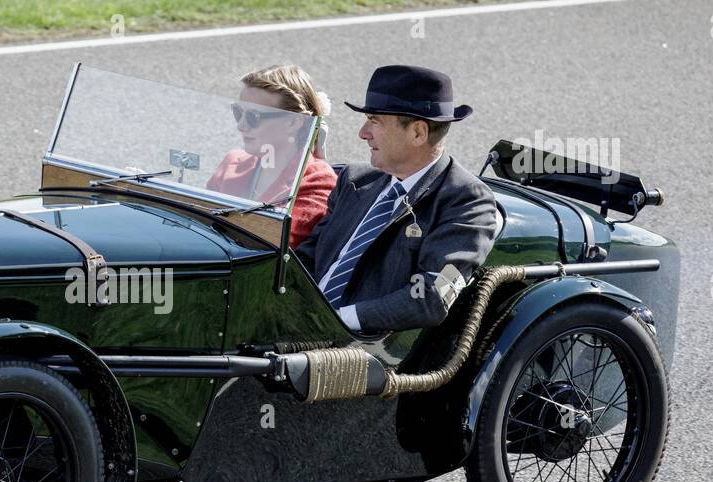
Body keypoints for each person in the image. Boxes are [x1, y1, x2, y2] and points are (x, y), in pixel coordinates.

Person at [295, 64, 499, 333]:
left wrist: (336, 320)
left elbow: (432, 296)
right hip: (299, 325)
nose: (362, 133)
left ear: (418, 133)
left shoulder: (466, 201)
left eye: (374, 121)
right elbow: (305, 259)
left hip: (359, 347)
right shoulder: (355, 179)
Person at [205, 65, 337, 248]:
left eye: (254, 117)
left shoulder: (317, 181)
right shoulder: (232, 162)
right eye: (238, 113)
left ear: (293, 122)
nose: (241, 126)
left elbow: (269, 245)